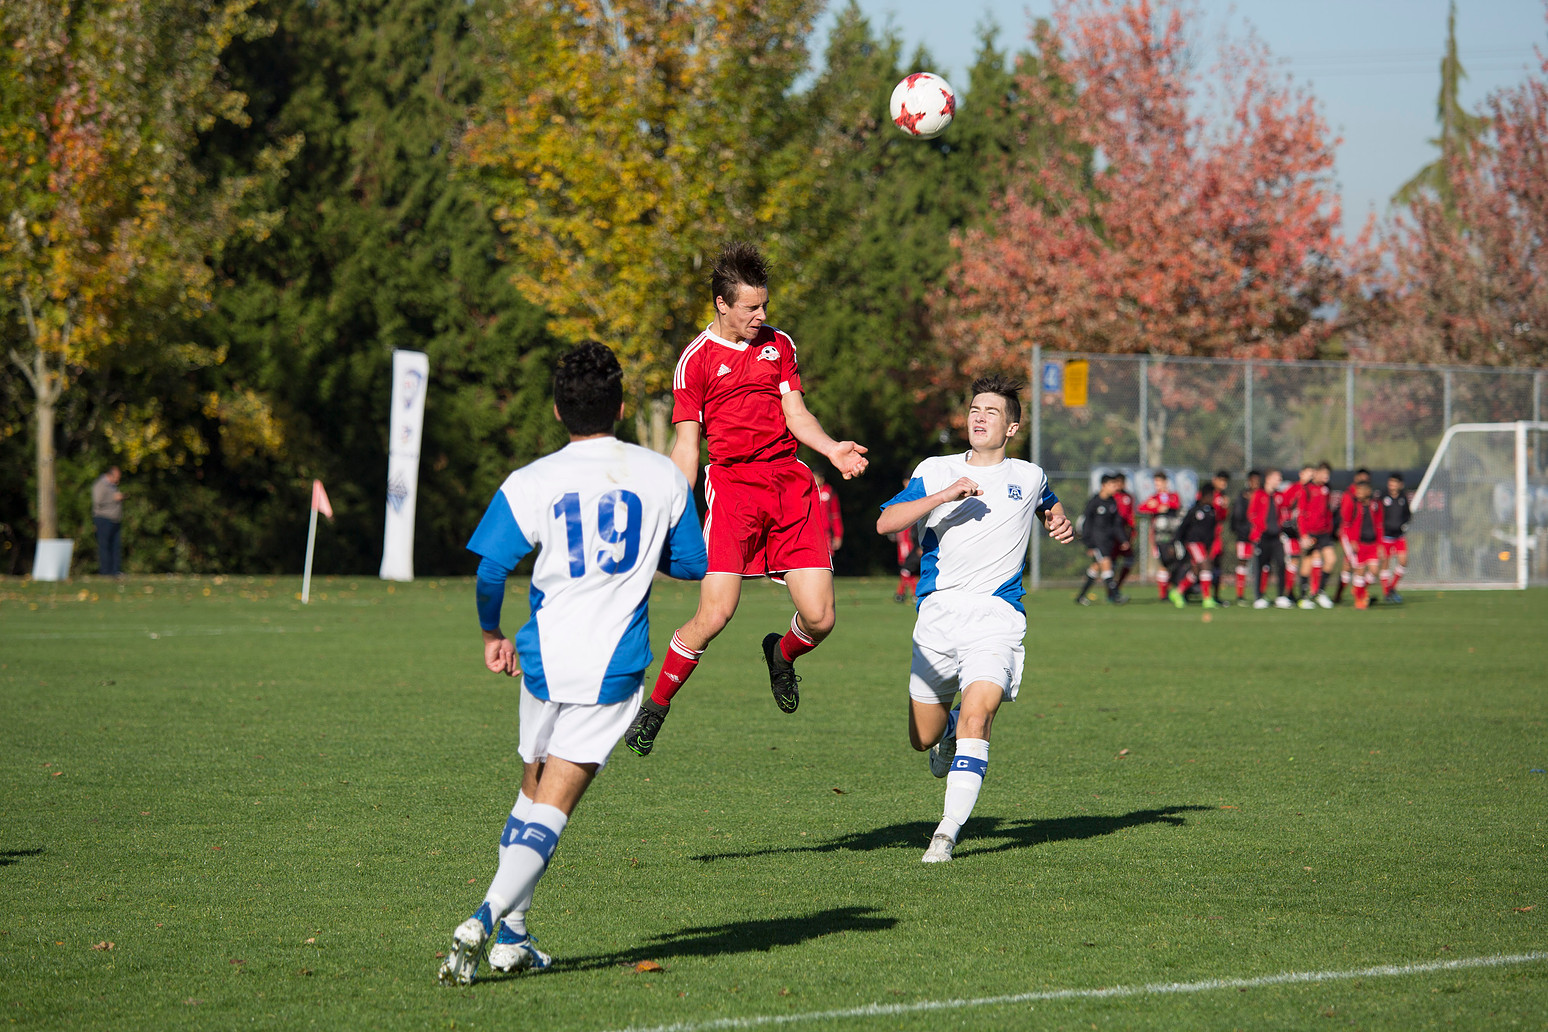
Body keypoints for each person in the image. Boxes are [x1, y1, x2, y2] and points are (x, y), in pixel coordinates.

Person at [438, 342, 707, 986]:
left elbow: (492, 569)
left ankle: (514, 938)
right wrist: (643, 551)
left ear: (558, 410)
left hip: (542, 660)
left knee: (531, 794)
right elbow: (694, 563)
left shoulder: (531, 480)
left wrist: (490, 633)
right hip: (611, 668)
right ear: (620, 406)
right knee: (552, 810)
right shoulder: (663, 475)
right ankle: (483, 918)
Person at [623, 242, 868, 756]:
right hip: (734, 489)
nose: (761, 316)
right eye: (751, 307)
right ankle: (655, 708)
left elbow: (796, 414)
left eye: (764, 305)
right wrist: (672, 509)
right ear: (722, 304)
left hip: (790, 486)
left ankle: (782, 655)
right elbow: (687, 445)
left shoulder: (779, 344)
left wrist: (831, 448)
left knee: (821, 618)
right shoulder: (695, 361)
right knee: (716, 614)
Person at [875, 376, 1075, 863]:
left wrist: (1058, 520)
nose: (979, 418)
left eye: (991, 412)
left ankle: (945, 834)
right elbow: (885, 523)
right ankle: (945, 734)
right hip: (938, 617)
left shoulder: (1030, 475)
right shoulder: (935, 468)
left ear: (1012, 428)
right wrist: (943, 496)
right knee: (923, 737)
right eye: (974, 410)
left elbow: (1047, 505)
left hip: (997, 616)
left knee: (978, 715)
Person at [1074, 474, 1127, 605]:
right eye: (1112, 485)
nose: (1115, 488)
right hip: (1097, 541)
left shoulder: (1112, 502)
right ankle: (1115, 596)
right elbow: (1085, 523)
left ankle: (1080, 596)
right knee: (1107, 565)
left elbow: (1117, 524)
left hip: (1108, 541)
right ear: (1104, 486)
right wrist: (1089, 544)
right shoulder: (1094, 502)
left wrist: (1123, 539)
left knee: (1095, 568)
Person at [1248, 468, 1294, 609]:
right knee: (1261, 566)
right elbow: (1252, 514)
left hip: (1276, 537)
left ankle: (1281, 596)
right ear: (1268, 479)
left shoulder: (1279, 496)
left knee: (1281, 564)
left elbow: (1286, 508)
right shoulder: (1259, 494)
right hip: (1262, 536)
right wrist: (1261, 528)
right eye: (1277, 477)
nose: (1279, 480)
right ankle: (1259, 596)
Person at [1168, 483, 1219, 609]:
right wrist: (1174, 543)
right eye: (1211, 496)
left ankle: (1177, 592)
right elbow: (1182, 528)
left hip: (1203, 545)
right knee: (1206, 565)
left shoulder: (1212, 512)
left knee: (1196, 571)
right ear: (1204, 496)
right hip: (1193, 543)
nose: (1212, 498)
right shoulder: (1194, 510)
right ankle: (1207, 598)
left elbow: (1211, 532)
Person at [1293, 462, 1336, 609]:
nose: (1326, 477)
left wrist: (1330, 528)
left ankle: (1320, 592)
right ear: (1316, 473)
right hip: (1310, 532)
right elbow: (1301, 514)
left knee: (1331, 560)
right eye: (1324, 473)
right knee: (1308, 563)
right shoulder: (1307, 489)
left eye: (1328, 474)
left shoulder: (1326, 489)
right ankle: (1303, 597)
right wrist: (1303, 535)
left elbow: (1327, 511)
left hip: (1324, 532)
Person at [1137, 471, 1182, 601]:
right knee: (1163, 562)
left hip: (1173, 535)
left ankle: (1176, 587)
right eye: (1155, 483)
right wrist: (1156, 508)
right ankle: (1163, 595)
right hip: (1159, 537)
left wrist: (1166, 506)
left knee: (1176, 561)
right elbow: (1141, 508)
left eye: (1159, 482)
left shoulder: (1173, 496)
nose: (1157, 485)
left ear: (1165, 482)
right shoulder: (1154, 498)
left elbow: (1176, 505)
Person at [1341, 479, 1383, 609]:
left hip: (1372, 544)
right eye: (1357, 491)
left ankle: (1359, 589)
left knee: (1374, 571)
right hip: (1359, 543)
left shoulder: (1375, 505)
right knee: (1360, 570)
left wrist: (1380, 544)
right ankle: (1359, 600)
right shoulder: (1354, 505)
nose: (1358, 493)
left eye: (1360, 491)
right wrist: (1352, 540)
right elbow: (1347, 524)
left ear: (1368, 491)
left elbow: (1379, 524)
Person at [1378, 472, 1412, 603]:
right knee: (1385, 563)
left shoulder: (1403, 498)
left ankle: (1391, 588)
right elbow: (1377, 516)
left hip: (1399, 536)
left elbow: (1408, 515)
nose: (1392, 485)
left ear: (1400, 485)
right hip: (1385, 536)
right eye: (1390, 482)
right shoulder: (1383, 497)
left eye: (1395, 482)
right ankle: (1386, 593)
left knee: (1403, 561)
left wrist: (1405, 524)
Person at [1231, 470, 1262, 601]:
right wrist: (1240, 530)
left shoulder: (1263, 497)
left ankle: (1260, 594)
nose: (1255, 484)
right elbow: (1236, 516)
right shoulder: (1242, 497)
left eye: (1257, 481)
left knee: (1262, 563)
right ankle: (1240, 595)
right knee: (1242, 561)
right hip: (1244, 536)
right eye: (1253, 481)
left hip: (1260, 535)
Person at [92, 466, 124, 577]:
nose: (118, 480)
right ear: (110, 475)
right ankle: (105, 571)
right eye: (116, 477)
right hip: (103, 519)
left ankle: (115, 571)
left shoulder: (112, 486)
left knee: (115, 547)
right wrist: (113, 498)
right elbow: (98, 500)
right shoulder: (100, 485)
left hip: (115, 520)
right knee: (105, 546)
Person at [1112, 473, 1137, 592]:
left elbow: (1131, 517)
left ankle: (1118, 585)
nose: (1118, 485)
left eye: (1121, 482)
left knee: (1129, 560)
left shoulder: (1128, 497)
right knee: (1111, 563)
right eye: (1116, 482)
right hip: (1112, 534)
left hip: (1124, 534)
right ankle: (1111, 590)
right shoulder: (1111, 497)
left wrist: (1132, 534)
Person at [813, 471, 845, 556]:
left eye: (815, 478)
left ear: (821, 479)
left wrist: (838, 535)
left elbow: (835, 515)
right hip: (811, 532)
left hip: (825, 533)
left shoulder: (829, 491)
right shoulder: (808, 492)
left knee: (826, 557)